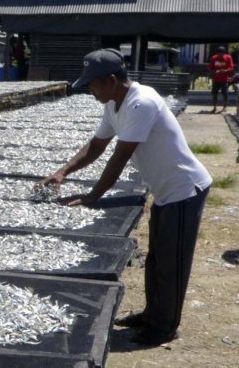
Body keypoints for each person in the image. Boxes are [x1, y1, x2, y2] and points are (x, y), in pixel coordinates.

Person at [38, 48, 212, 346]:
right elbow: (96, 146)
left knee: (172, 263)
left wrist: (93, 196)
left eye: (92, 84)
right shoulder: (114, 103)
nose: (90, 90)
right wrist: (62, 172)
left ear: (111, 80)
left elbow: (119, 157)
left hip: (184, 189)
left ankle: (164, 328)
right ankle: (152, 314)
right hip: (165, 190)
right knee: (157, 260)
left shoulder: (141, 103)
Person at [207, 44, 233, 112]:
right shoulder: (214, 58)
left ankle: (224, 107)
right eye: (219, 53)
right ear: (217, 53)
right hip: (216, 79)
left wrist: (225, 70)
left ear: (224, 53)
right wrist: (214, 72)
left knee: (225, 93)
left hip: (224, 79)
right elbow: (210, 67)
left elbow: (231, 67)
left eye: (222, 53)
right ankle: (214, 107)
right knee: (214, 93)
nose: (220, 55)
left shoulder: (228, 58)